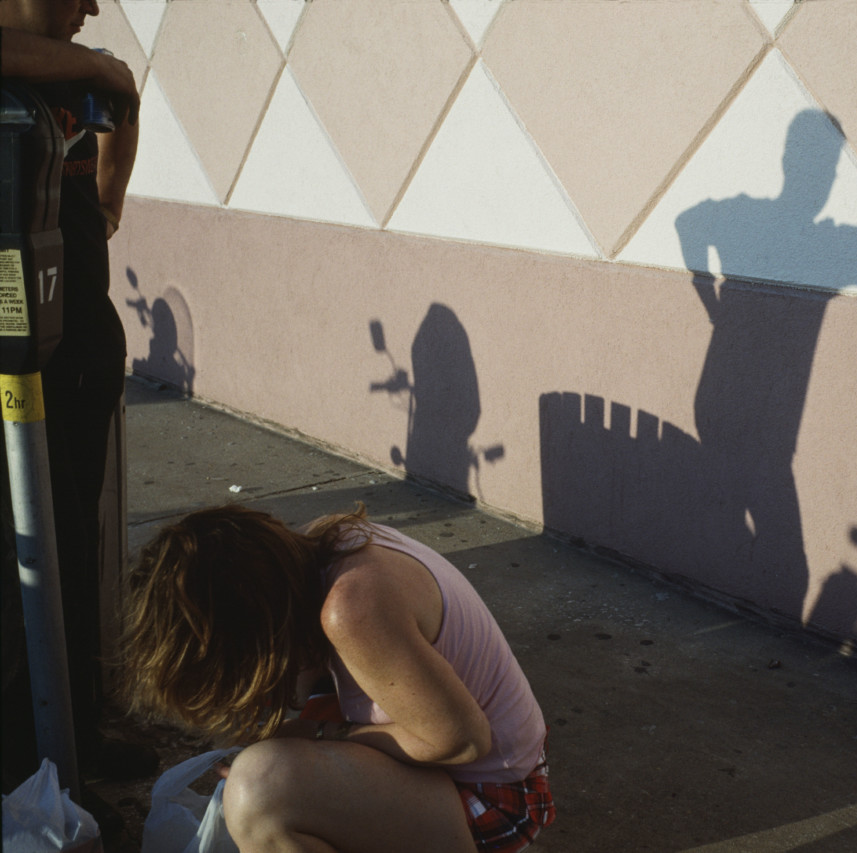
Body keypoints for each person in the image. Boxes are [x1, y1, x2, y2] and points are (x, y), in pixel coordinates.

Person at [119, 504, 555, 853]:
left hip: (495, 797)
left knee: (260, 795)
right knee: (271, 772)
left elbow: (462, 741)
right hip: (459, 778)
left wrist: (321, 735)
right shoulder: (319, 551)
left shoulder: (351, 609)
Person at [0, 0, 153, 787]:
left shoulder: (74, 72)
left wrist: (110, 196)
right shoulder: (59, 66)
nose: (92, 7)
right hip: (15, 356)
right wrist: (97, 67)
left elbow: (124, 103)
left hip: (77, 353)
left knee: (74, 545)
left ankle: (77, 732)